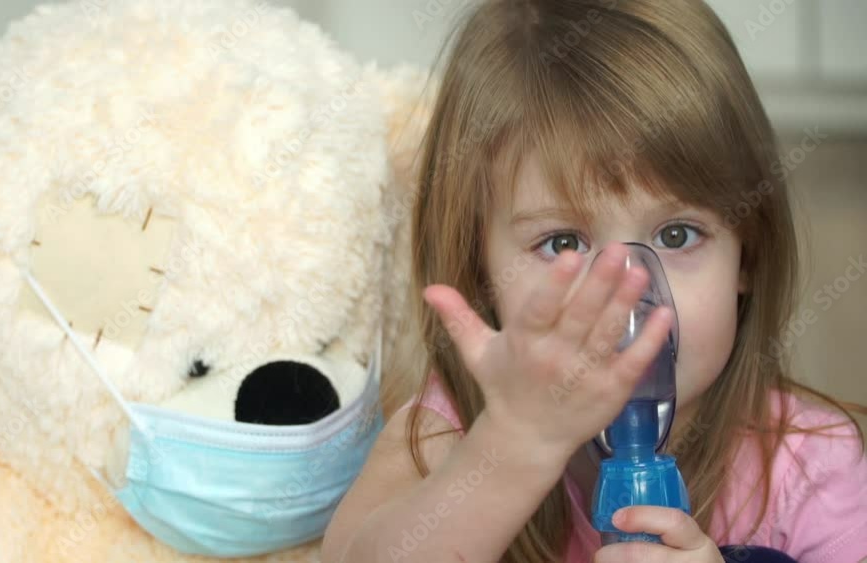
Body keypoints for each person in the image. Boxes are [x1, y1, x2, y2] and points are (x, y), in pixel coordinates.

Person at [321, 1, 867, 562]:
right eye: (562, 244)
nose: (626, 296)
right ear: (479, 269)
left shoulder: (808, 467)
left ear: (747, 253)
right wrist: (515, 444)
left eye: (676, 236)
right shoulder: (450, 435)